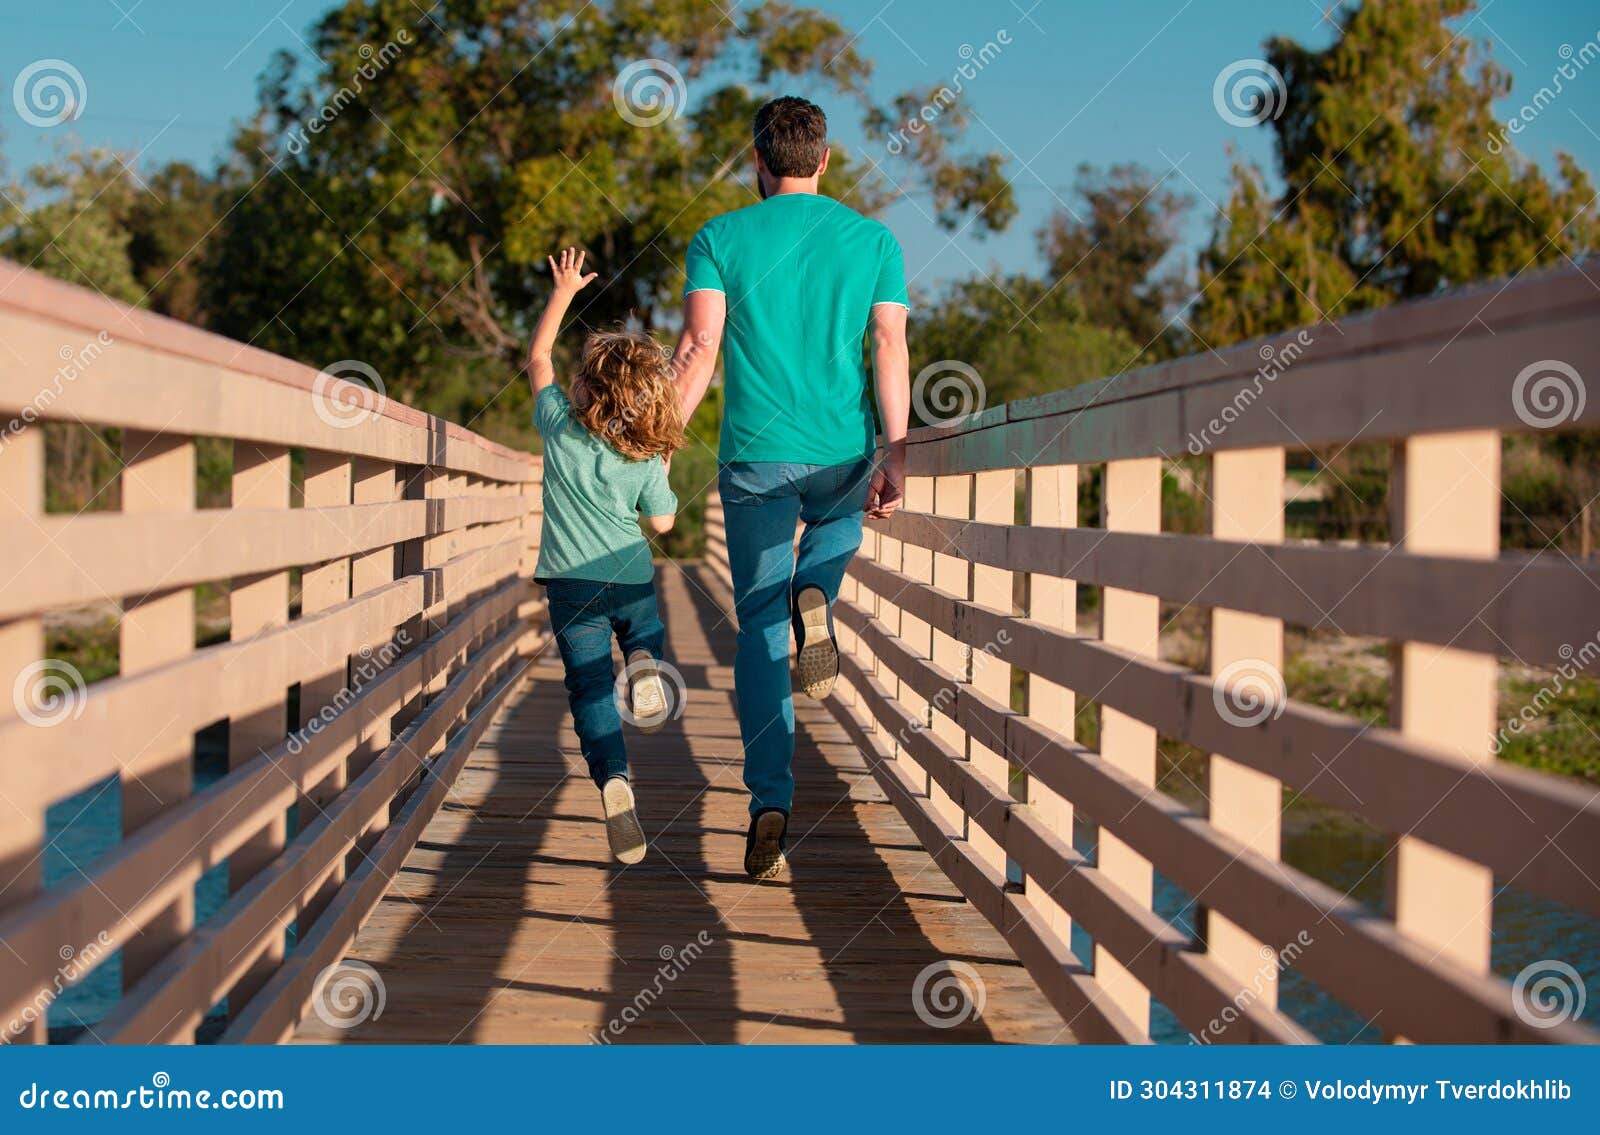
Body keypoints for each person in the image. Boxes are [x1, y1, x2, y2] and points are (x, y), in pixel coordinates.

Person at [672, 96, 911, 880]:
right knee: (837, 537)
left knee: (759, 631)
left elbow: (700, 348)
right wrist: (896, 450)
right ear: (826, 159)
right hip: (842, 454)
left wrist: (658, 441)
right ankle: (820, 593)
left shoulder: (720, 238)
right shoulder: (873, 240)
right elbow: (888, 342)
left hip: (753, 459)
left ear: (758, 164)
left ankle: (768, 796)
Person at [529, 247, 686, 865]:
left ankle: (614, 780)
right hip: (630, 580)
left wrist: (564, 291)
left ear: (587, 386)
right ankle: (645, 663)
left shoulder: (560, 427)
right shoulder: (644, 457)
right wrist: (663, 459)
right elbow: (665, 522)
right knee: (644, 638)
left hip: (571, 587)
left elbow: (538, 356)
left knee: (590, 688)